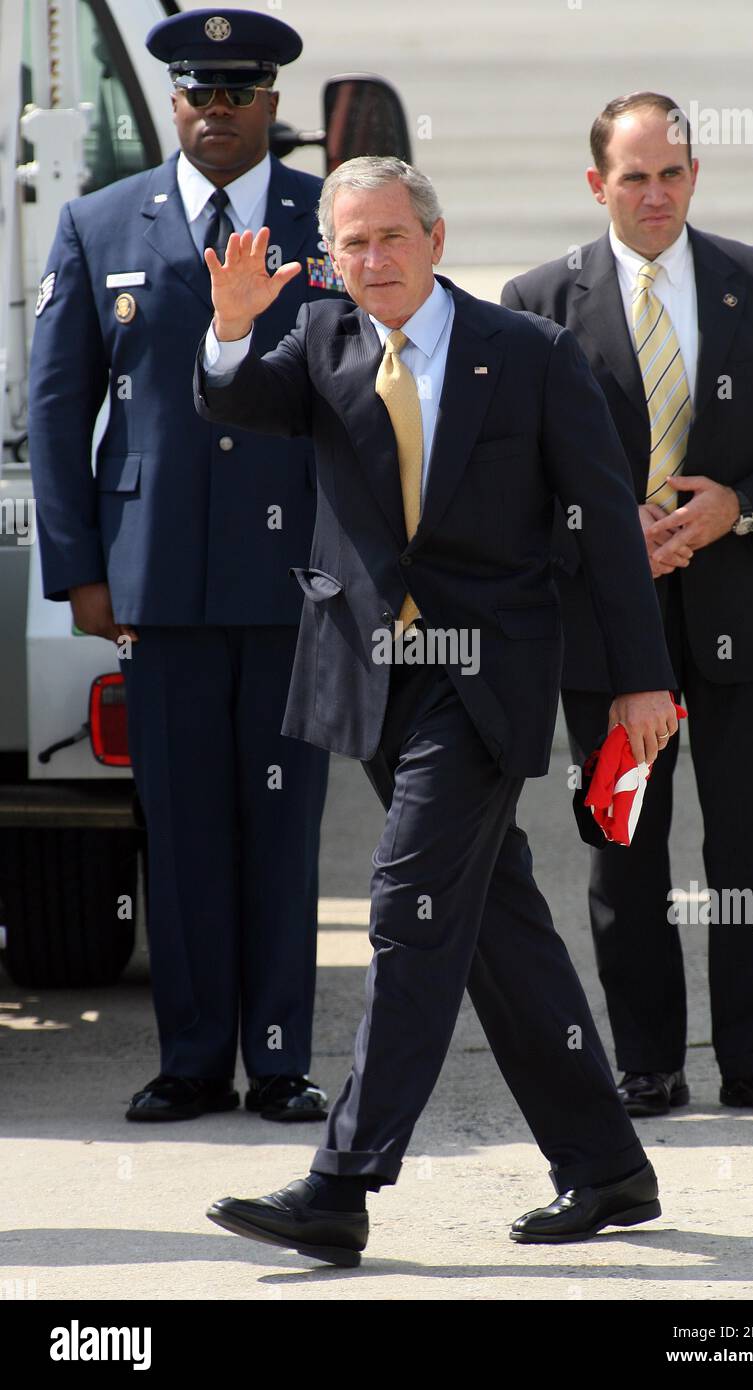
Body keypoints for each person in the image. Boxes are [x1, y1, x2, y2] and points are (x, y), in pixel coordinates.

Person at [194, 155, 681, 1266]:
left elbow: (606, 527)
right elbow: (233, 396)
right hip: (373, 675)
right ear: (332, 256)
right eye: (351, 244)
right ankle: (607, 1169)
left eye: (390, 238)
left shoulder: (529, 355)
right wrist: (226, 328)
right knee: (493, 929)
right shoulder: (318, 341)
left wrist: (640, 681)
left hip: (488, 678)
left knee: (407, 908)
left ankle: (343, 1182)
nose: (373, 262)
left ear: (436, 237)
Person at [501, 92, 753, 1119]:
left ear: (693, 175)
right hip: (610, 628)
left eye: (671, 173)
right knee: (623, 846)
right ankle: (646, 1063)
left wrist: (736, 509)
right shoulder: (536, 301)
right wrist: (609, 537)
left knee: (748, 849)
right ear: (594, 182)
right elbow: (516, 472)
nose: (654, 194)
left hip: (746, 607)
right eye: (632, 176)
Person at [27, 9, 344, 1123]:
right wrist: (80, 570)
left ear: (271, 104)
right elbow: (58, 410)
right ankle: (194, 1059)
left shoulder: (328, 221)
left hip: (293, 581)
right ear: (172, 102)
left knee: (281, 827)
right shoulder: (102, 220)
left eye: (237, 93)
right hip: (155, 579)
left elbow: (370, 401)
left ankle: (281, 1060)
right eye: (197, 94)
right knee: (183, 825)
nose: (215, 113)